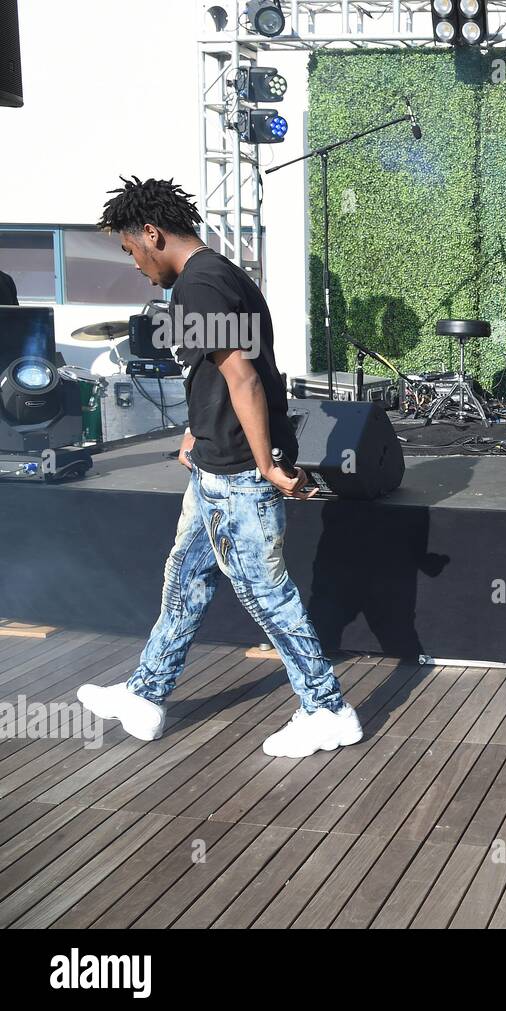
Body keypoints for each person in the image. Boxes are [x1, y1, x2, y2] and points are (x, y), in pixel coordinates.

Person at [77, 176, 363, 759]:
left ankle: (327, 710)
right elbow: (215, 374)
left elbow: (244, 377)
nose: (134, 265)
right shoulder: (215, 276)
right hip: (214, 461)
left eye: (132, 251)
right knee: (185, 577)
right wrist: (195, 429)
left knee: (265, 594)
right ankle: (146, 695)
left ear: (152, 234)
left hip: (237, 471)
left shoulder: (197, 289)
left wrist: (267, 465)